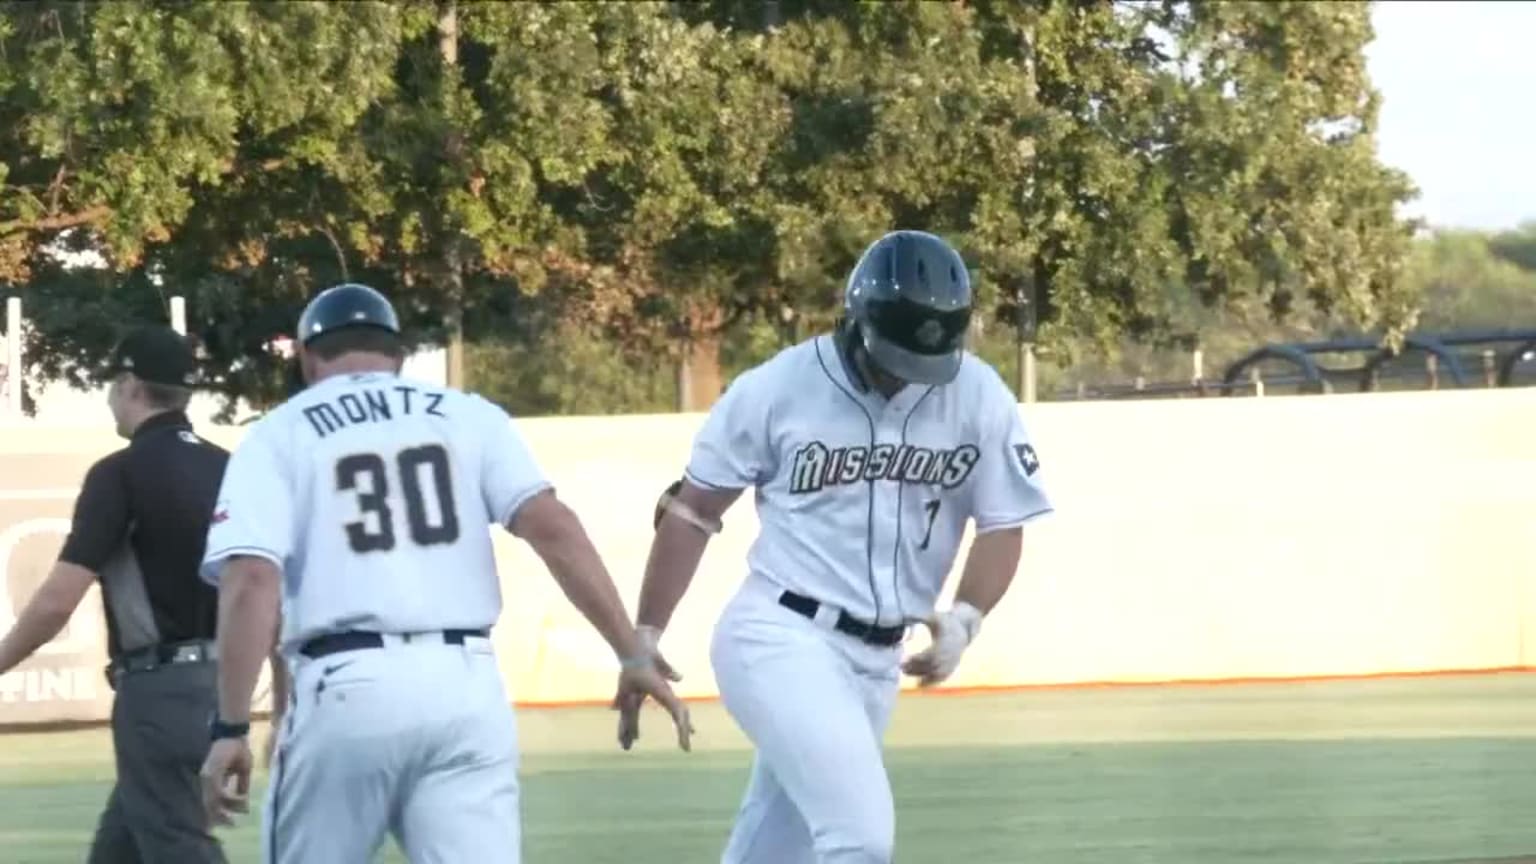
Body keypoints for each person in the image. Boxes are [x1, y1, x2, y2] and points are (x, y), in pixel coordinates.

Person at [196, 282, 692, 863]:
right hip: (466, 685)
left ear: (307, 358)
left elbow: (252, 582)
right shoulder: (469, 416)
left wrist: (229, 727)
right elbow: (554, 526)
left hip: (347, 684)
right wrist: (630, 651)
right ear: (399, 355)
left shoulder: (280, 432)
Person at [622, 230, 1054, 863]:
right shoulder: (779, 387)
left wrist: (966, 618)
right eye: (894, 355)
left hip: (879, 662)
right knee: (860, 836)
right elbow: (692, 512)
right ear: (855, 322)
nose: (906, 377)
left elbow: (1003, 522)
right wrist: (647, 636)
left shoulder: (977, 393)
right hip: (779, 636)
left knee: (776, 849)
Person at [0, 325, 230, 862]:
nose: (109, 399)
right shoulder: (229, 465)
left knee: (178, 846)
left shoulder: (119, 473)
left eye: (112, 386)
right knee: (119, 850)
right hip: (225, 683)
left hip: (158, 688)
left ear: (129, 384)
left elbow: (58, 601)